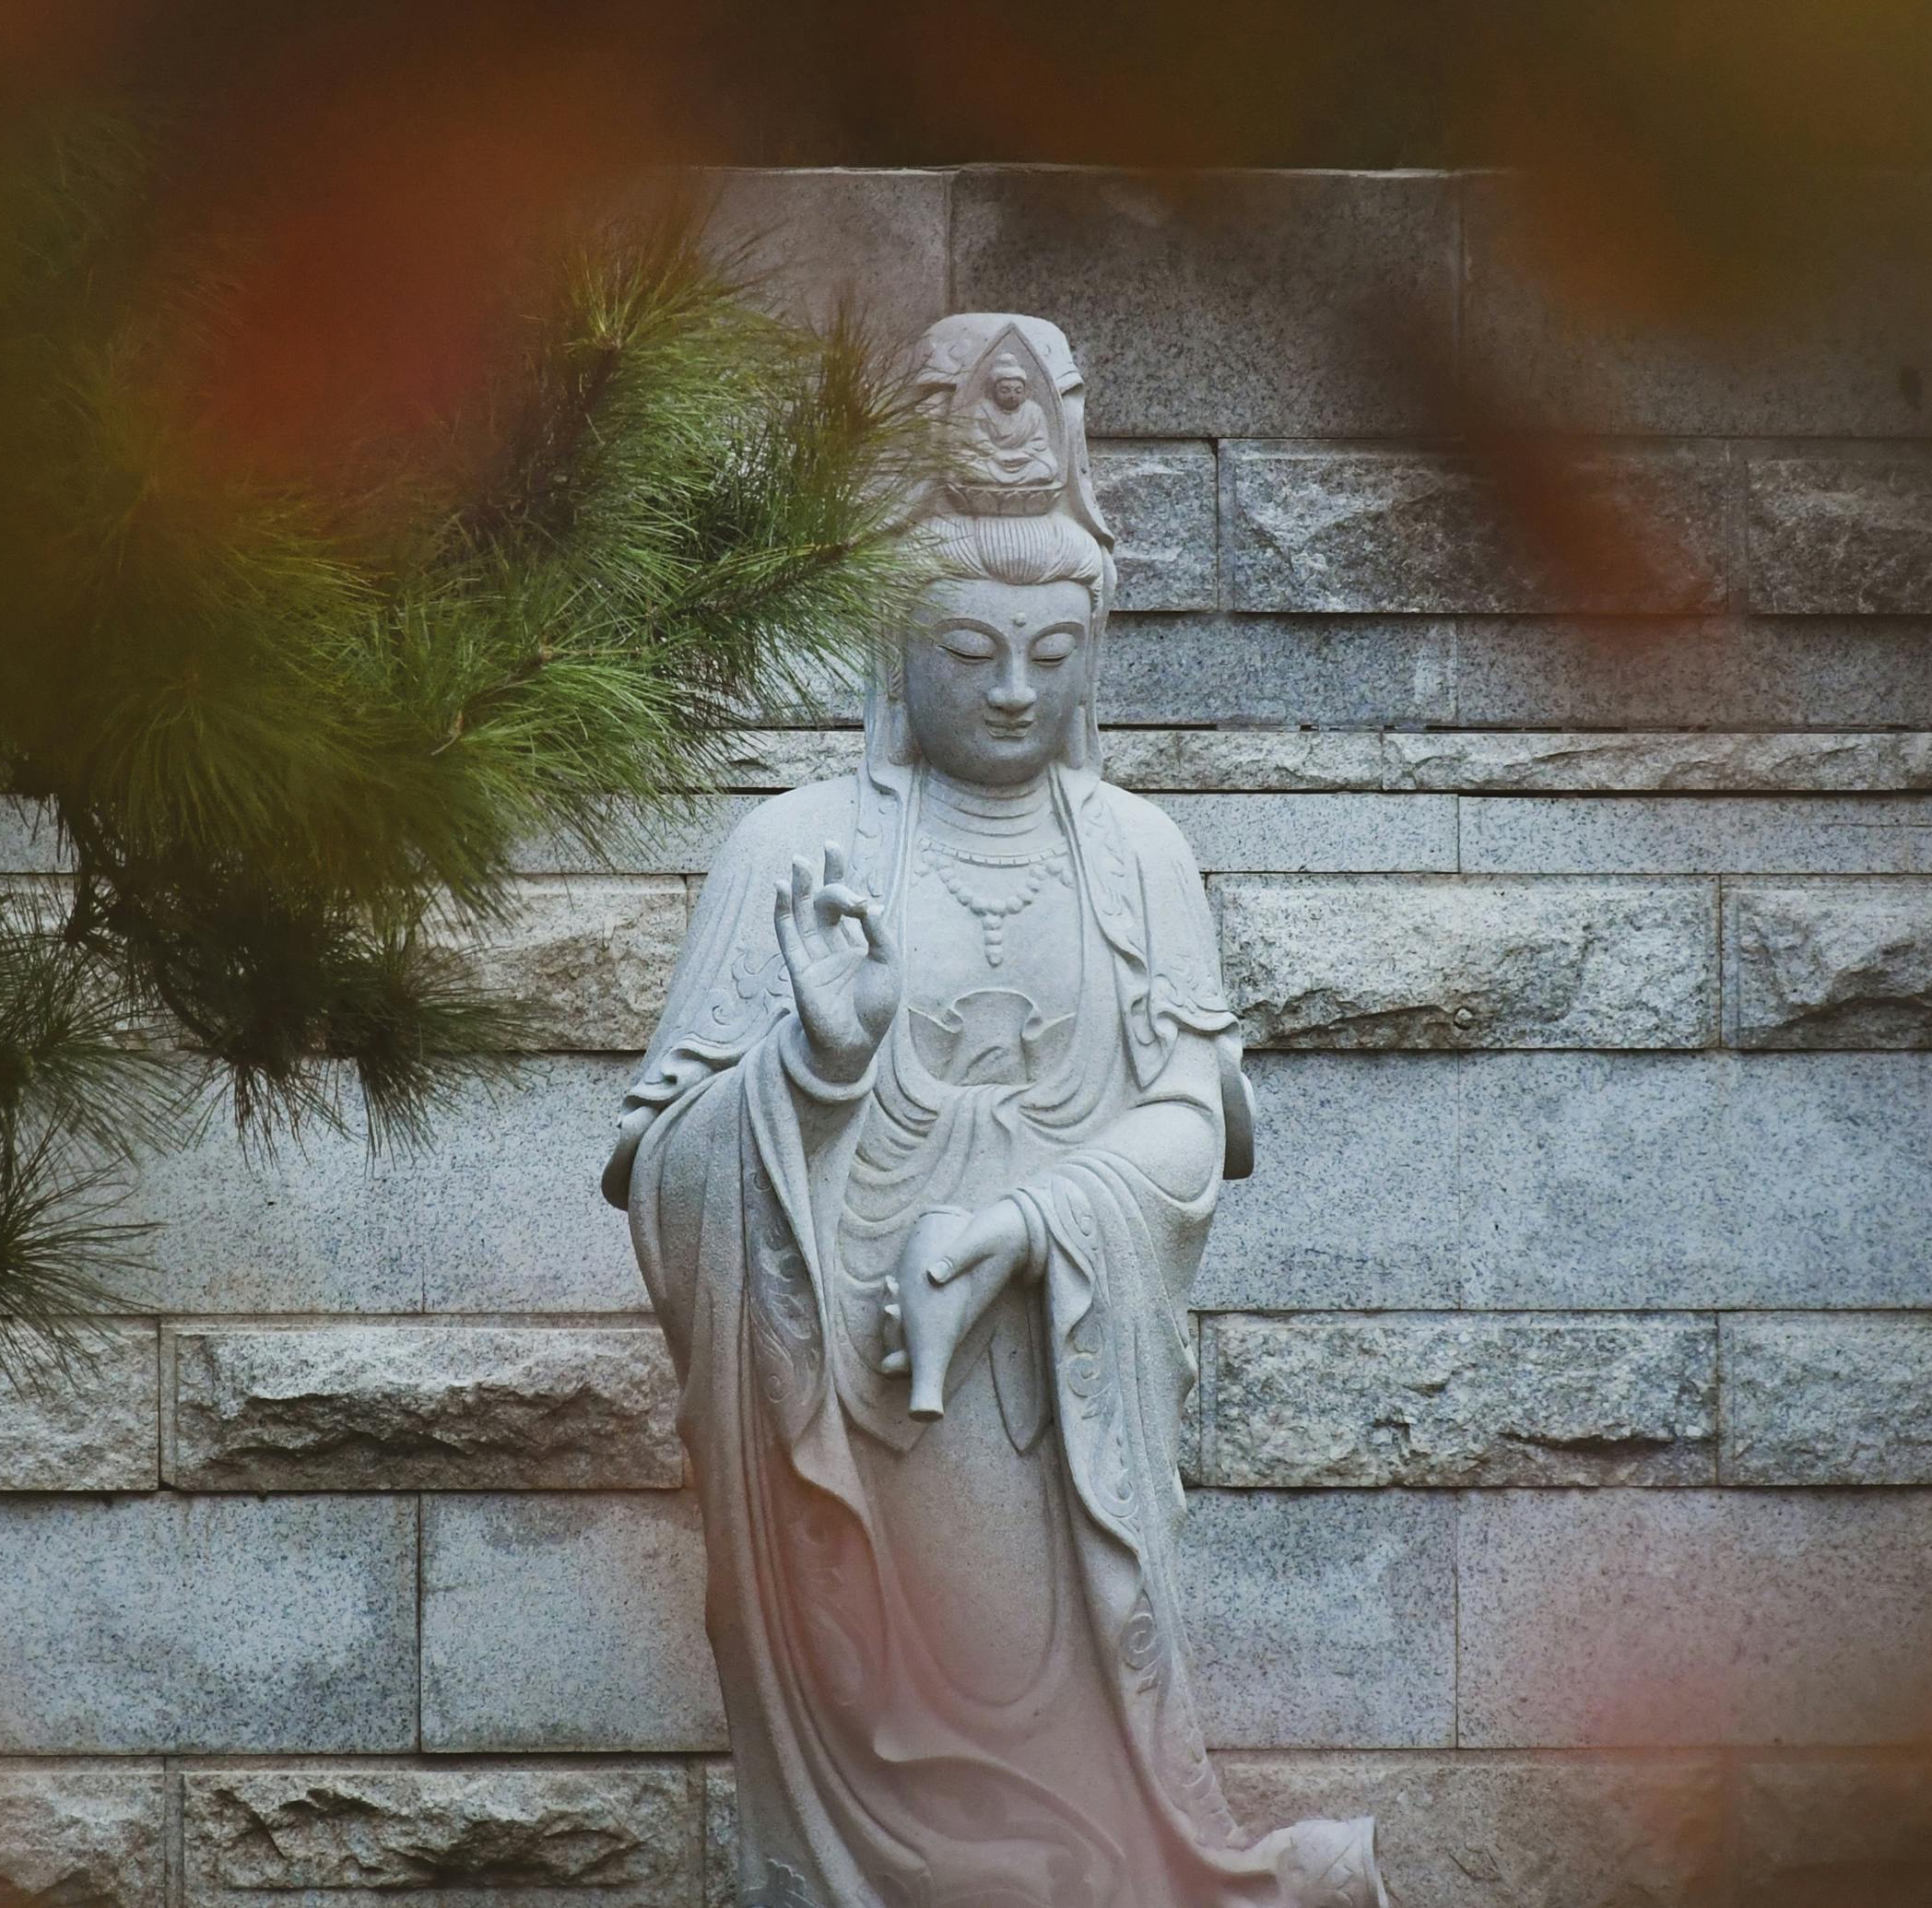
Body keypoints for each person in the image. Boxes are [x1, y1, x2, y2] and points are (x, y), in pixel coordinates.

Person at [604, 314, 1392, 1908]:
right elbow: (660, 1168)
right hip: (852, 1416)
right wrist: (814, 1065)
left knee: (1086, 1818)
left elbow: (1194, 1121)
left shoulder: (1137, 857)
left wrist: (1024, 1222)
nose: (1019, 689)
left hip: (1063, 1407)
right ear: (896, 646)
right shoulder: (792, 854)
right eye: (970, 654)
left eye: (1056, 652)